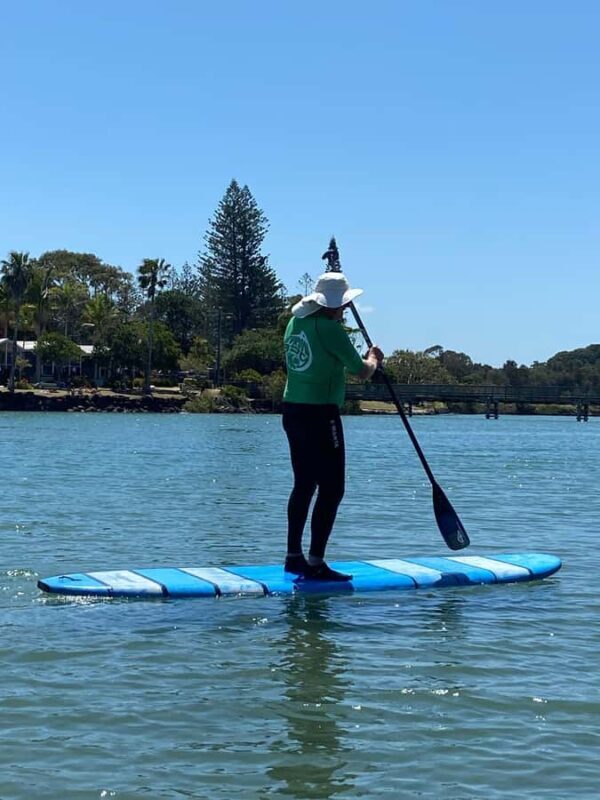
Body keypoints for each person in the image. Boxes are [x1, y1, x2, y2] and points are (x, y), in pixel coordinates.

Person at [282, 271, 384, 581]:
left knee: (304, 484)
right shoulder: (331, 330)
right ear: (334, 306)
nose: (343, 311)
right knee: (332, 489)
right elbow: (362, 371)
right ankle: (315, 562)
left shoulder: (294, 323)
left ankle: (293, 556)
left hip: (292, 410)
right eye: (341, 306)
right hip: (321, 415)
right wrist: (374, 358)